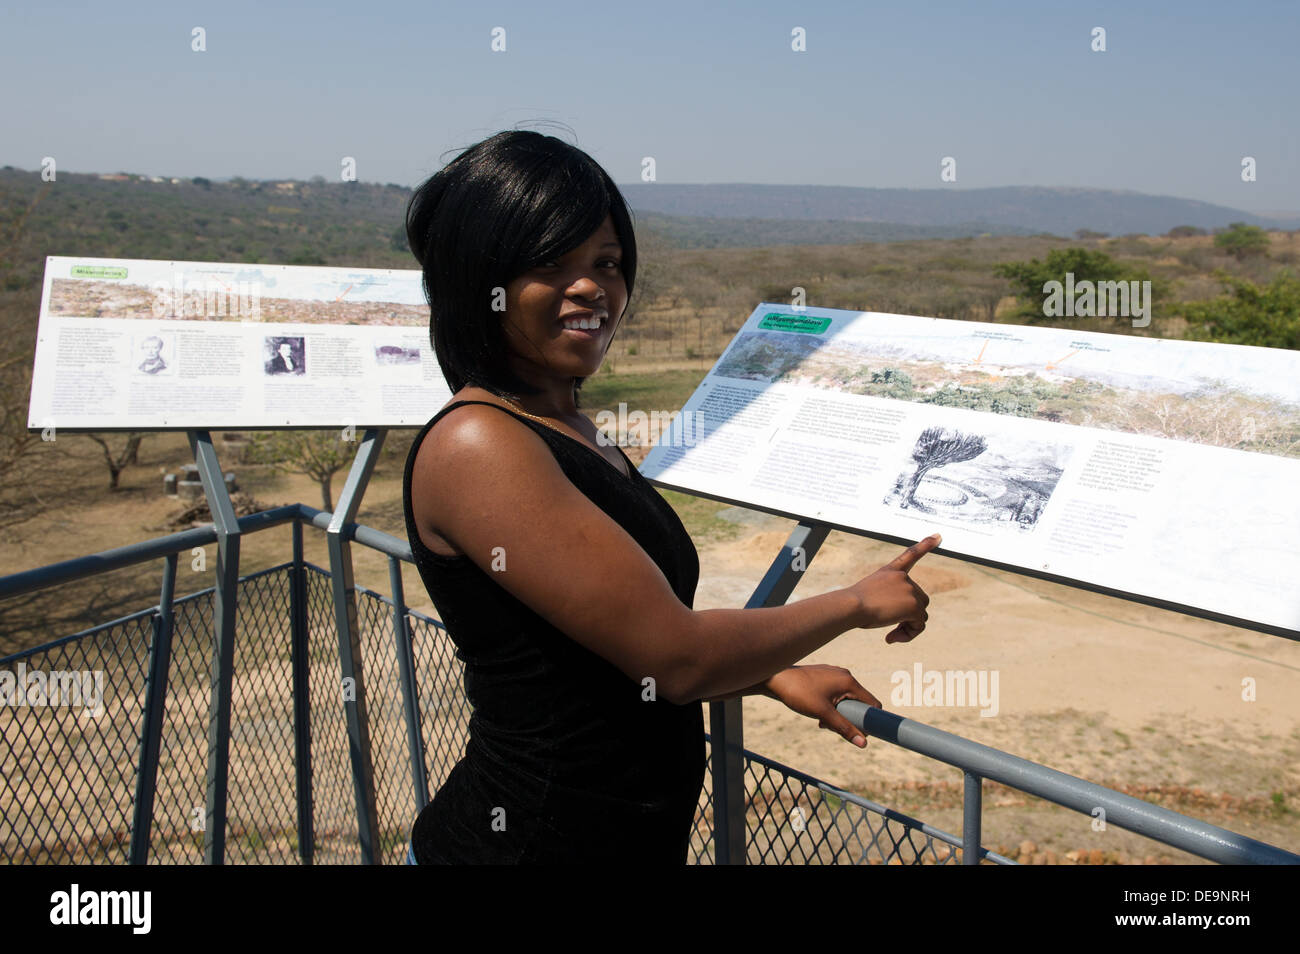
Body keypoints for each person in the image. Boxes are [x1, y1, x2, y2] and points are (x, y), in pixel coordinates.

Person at [401, 129, 939, 864]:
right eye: (549, 263)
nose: (591, 286)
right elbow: (675, 661)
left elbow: (612, 641)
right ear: (479, 279)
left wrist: (771, 672)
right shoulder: (479, 445)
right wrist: (854, 603)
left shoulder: (565, 427)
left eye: (607, 263)